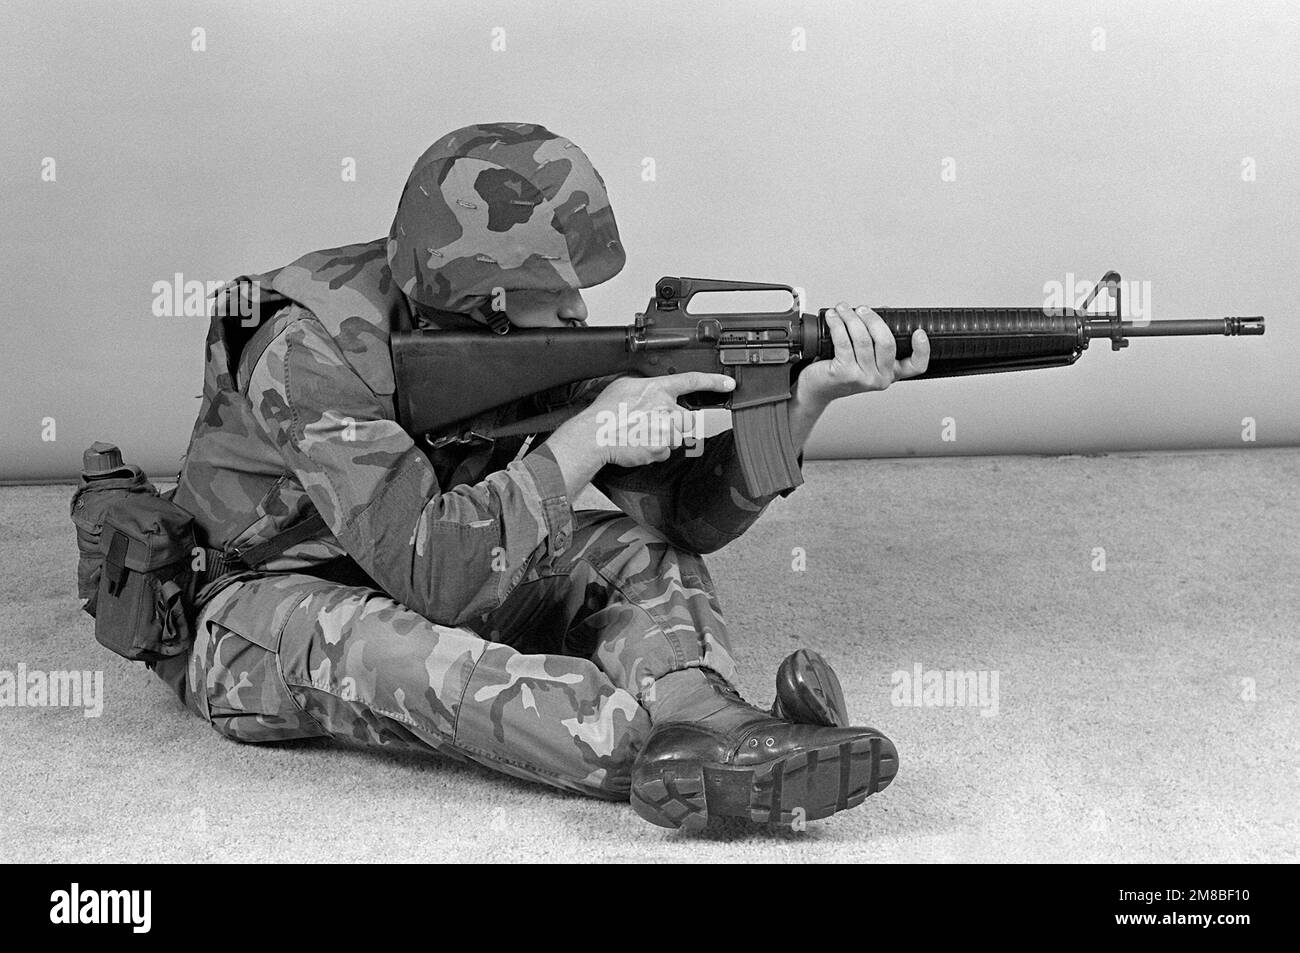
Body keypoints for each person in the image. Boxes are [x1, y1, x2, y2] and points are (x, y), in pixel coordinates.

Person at [157, 122, 931, 831]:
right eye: (551, 293)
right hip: (256, 603)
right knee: (407, 654)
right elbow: (436, 576)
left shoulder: (499, 333)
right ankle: (683, 757)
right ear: (484, 301)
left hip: (428, 558)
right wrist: (592, 434)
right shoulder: (302, 345)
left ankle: (725, 720)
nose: (577, 309)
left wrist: (799, 407)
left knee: (634, 552)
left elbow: (683, 523)